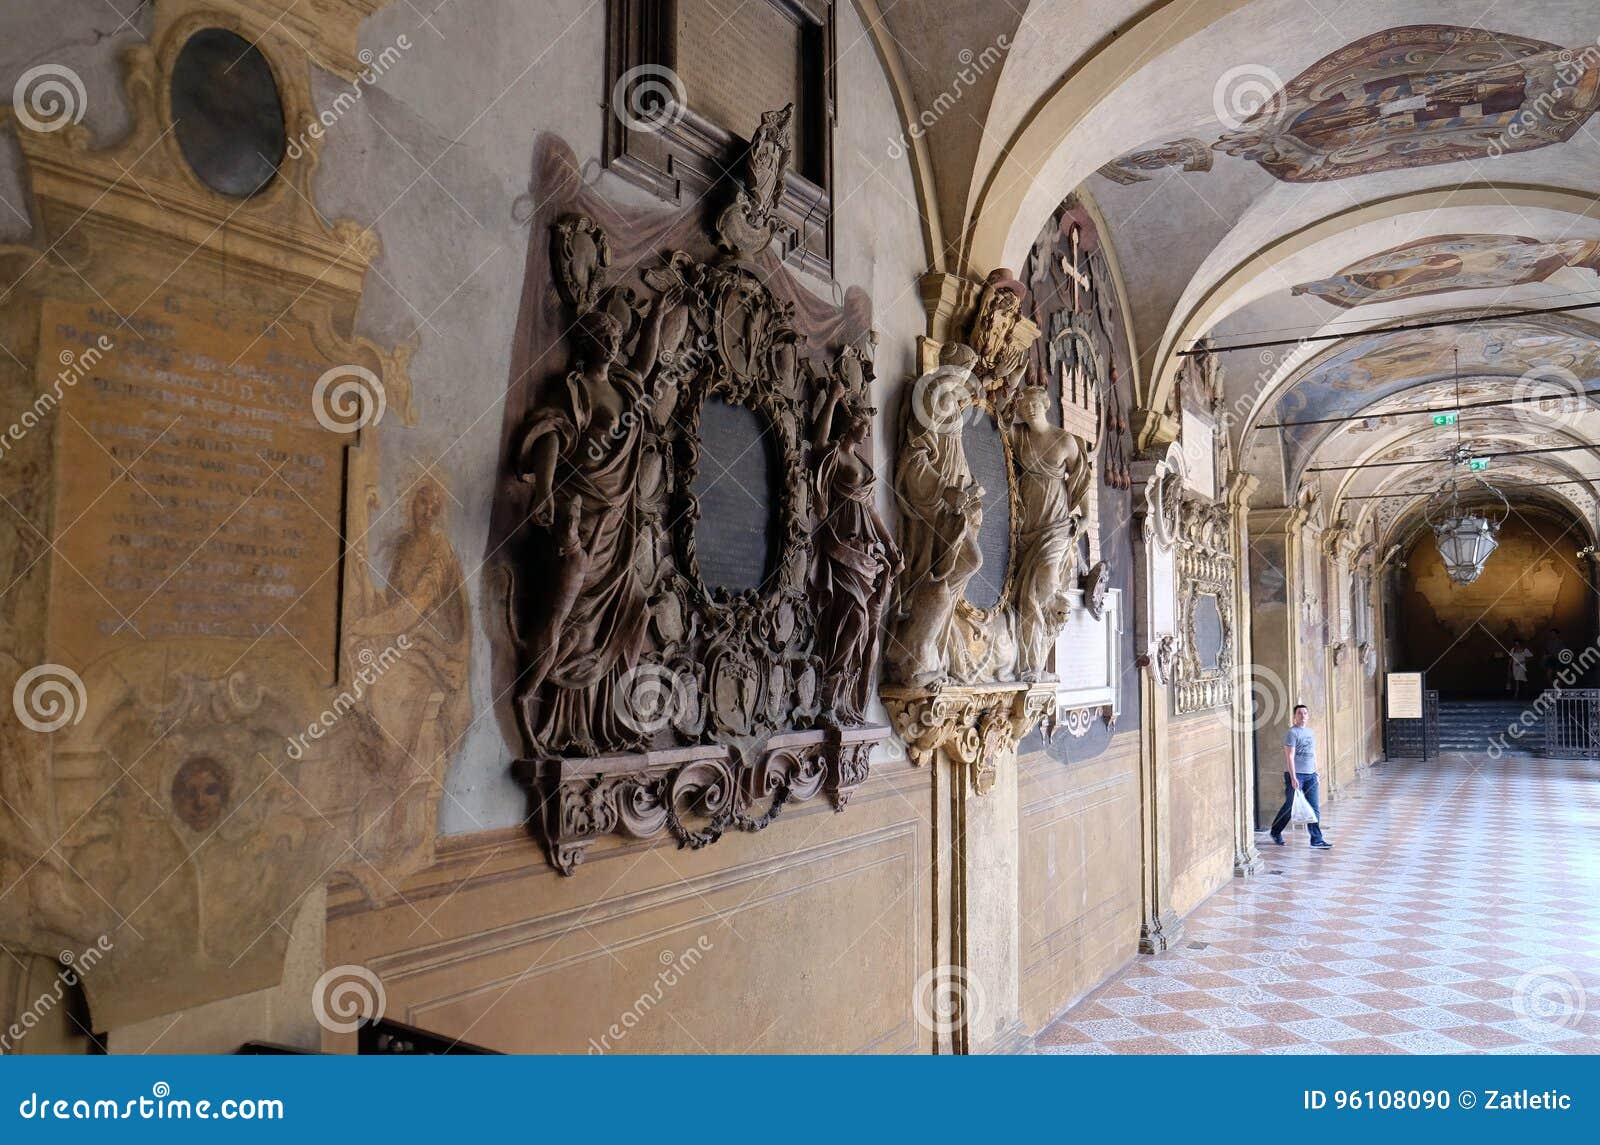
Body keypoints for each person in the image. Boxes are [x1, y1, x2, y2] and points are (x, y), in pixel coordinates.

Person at [1271, 704, 1332, 849]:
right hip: (1296, 775)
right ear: (1294, 717)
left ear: (1308, 716)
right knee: (1290, 806)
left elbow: (1313, 753)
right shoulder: (1292, 733)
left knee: (1314, 807)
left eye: (1305, 713)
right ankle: (1275, 831)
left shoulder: (1310, 732)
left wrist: (1316, 772)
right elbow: (1289, 756)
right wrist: (1293, 777)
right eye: (1299, 713)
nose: (1303, 715)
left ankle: (1316, 839)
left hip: (1310, 775)